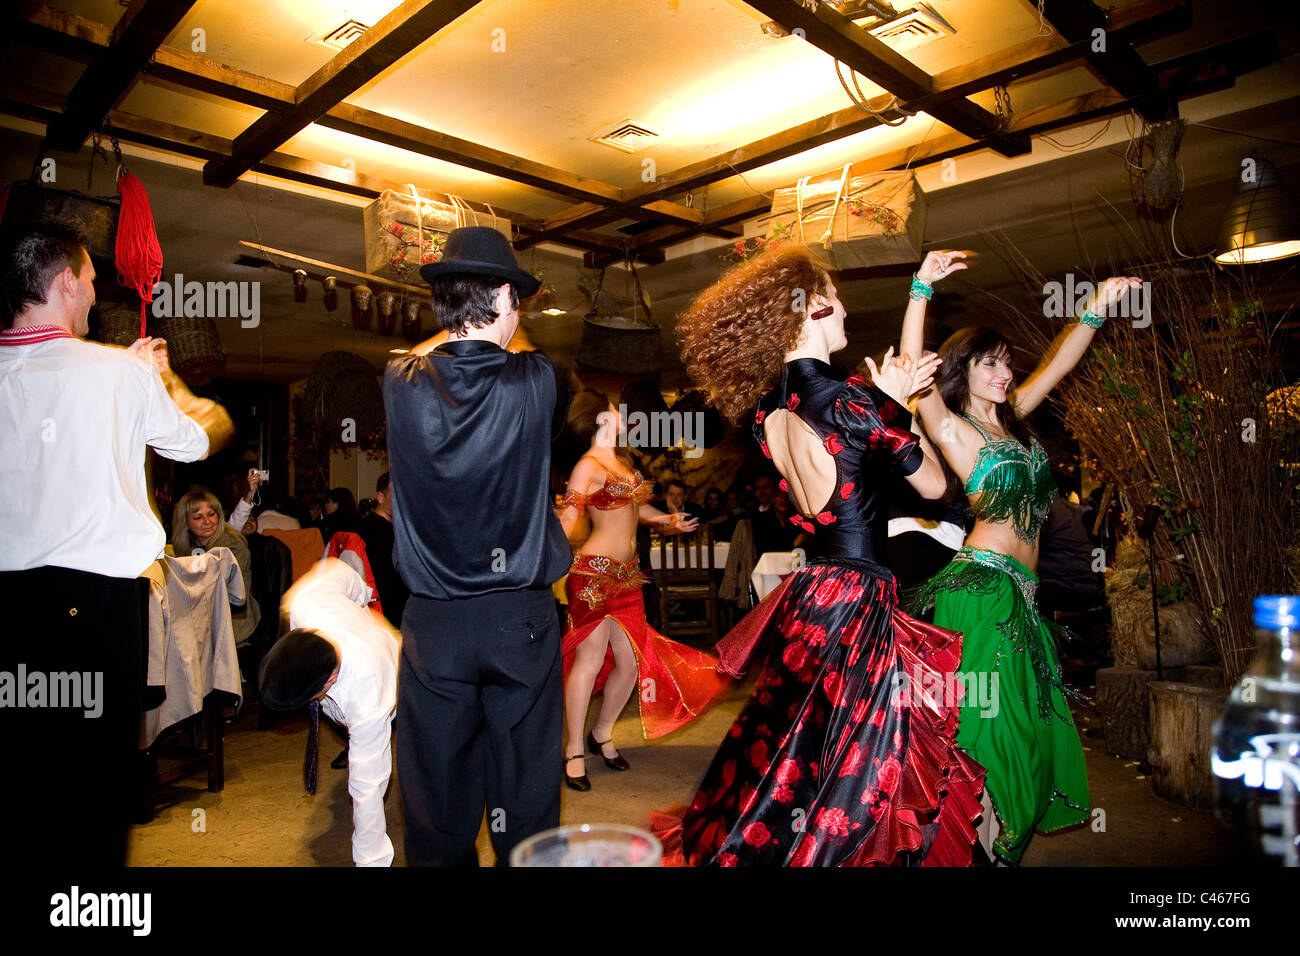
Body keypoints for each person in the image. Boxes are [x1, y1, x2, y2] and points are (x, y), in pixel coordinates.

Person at [657, 243, 986, 866]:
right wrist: (899, 408)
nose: (845, 313)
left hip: (811, 593)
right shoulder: (851, 401)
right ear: (809, 308)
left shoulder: (765, 412)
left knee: (798, 735)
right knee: (864, 748)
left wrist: (918, 301)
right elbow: (940, 489)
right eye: (836, 301)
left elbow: (848, 453)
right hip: (859, 595)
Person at [0, 218, 233, 865]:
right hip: (91, 608)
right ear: (66, 281)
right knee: (94, 789)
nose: (98, 296)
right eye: (94, 282)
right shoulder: (116, 372)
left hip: (9, 608)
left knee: (23, 780)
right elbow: (195, 437)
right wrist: (161, 380)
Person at [902, 249, 1138, 862]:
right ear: (962, 371)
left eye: (1006, 364)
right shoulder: (954, 430)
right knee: (989, 731)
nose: (1003, 374)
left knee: (1030, 728)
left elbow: (1059, 363)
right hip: (979, 592)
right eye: (988, 364)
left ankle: (984, 845)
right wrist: (920, 290)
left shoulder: (1016, 423)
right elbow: (910, 367)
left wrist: (1096, 307)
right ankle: (978, 851)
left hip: (1020, 598)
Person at [383, 226, 571, 866]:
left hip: (435, 621)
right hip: (519, 619)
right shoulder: (537, 379)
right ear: (502, 297)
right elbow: (511, 344)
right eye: (515, 297)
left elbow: (433, 353)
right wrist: (489, 310)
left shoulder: (398, 382)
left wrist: (457, 311)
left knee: (436, 791)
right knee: (527, 790)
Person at [556, 392, 728, 791]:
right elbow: (569, 513)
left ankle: (602, 734)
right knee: (591, 658)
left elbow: (638, 511)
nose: (621, 414)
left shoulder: (623, 464)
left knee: (631, 664)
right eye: (615, 409)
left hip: (628, 577)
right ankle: (573, 750)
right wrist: (542, 553)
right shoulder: (589, 465)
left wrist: (668, 518)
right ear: (602, 418)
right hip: (595, 575)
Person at [258, 558, 400, 866]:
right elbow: (337, 568)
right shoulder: (302, 603)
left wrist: (369, 862)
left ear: (330, 680)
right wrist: (362, 596)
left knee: (394, 766)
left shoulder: (366, 694)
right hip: (354, 646)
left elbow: (367, 786)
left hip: (397, 675)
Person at [172, 489, 261, 646]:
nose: (207, 522)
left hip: (233, 627)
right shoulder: (188, 547)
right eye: (198, 517)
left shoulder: (233, 546)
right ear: (185, 523)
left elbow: (217, 594)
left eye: (211, 514)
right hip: (202, 623)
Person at [359, 471, 410, 629]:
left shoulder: (392, 528)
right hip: (386, 617)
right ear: (381, 498)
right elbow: (389, 584)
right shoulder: (377, 532)